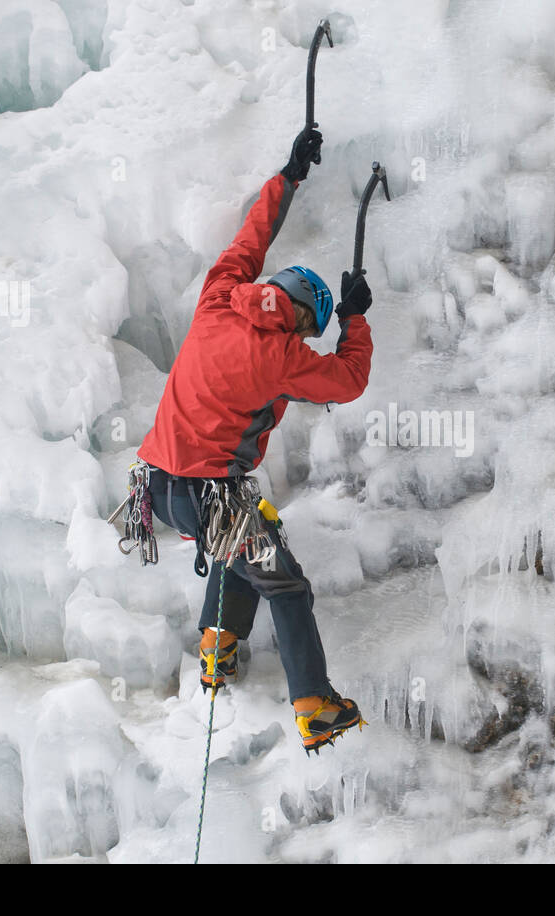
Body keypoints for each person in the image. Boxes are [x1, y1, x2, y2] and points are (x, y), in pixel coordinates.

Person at [135, 126, 374, 754]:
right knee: (285, 581)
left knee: (248, 531)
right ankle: (315, 706)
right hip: (207, 494)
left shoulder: (219, 297)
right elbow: (348, 379)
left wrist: (289, 175)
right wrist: (355, 323)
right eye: (310, 324)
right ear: (301, 316)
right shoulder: (284, 358)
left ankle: (218, 646)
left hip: (156, 485)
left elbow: (251, 236)